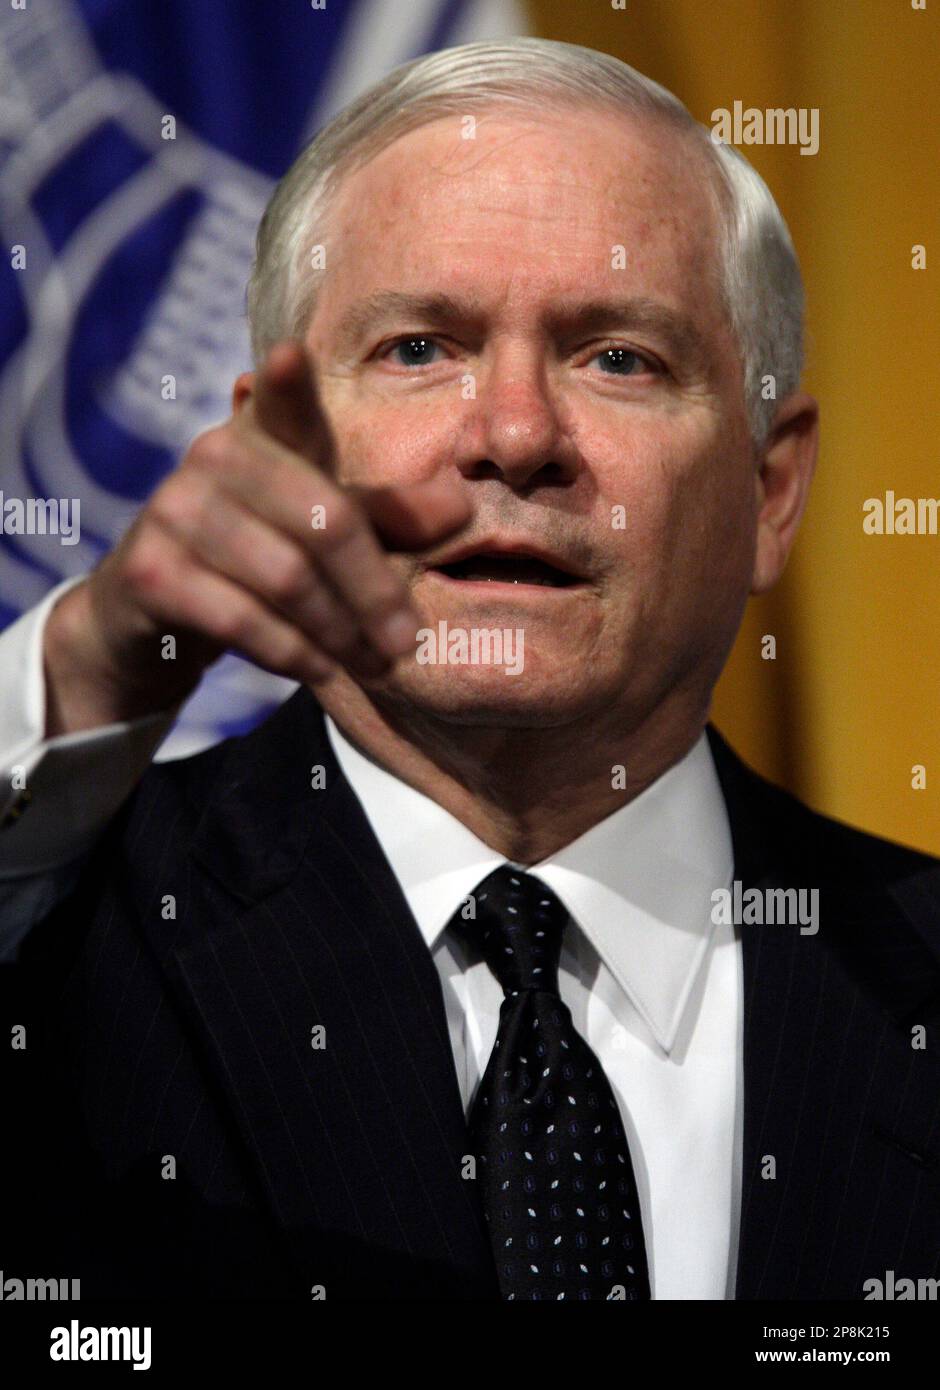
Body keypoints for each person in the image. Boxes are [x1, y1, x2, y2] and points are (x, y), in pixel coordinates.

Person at [1, 36, 938, 1302]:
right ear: (272, 455)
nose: (512, 436)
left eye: (618, 356)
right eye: (417, 349)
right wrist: (92, 661)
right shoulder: (58, 942)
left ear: (769, 492)